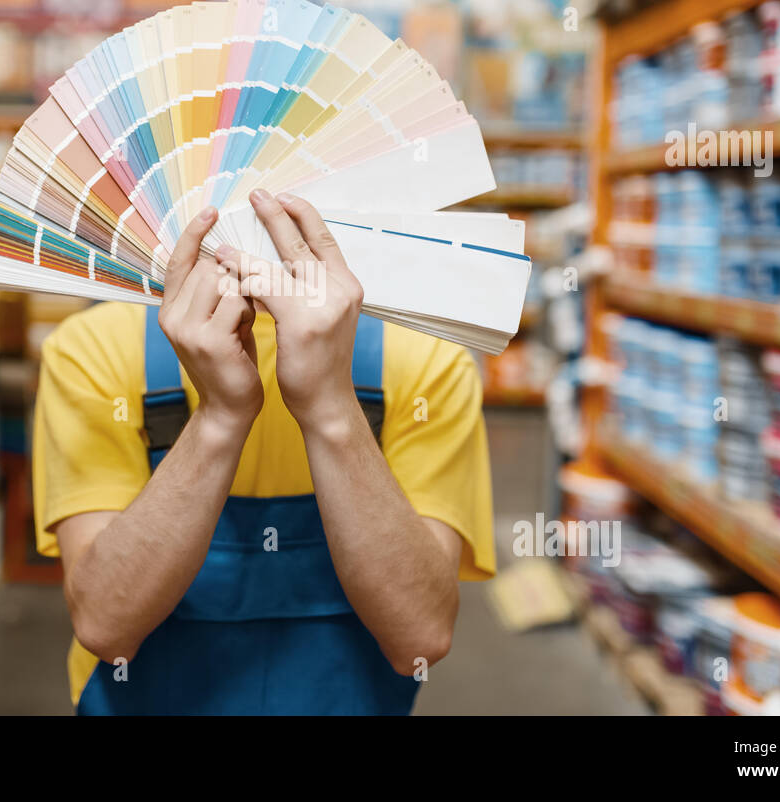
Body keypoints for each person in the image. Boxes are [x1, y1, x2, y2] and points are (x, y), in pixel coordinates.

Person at [32, 188, 494, 714]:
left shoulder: (427, 364)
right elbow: (105, 625)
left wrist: (332, 410)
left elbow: (420, 637)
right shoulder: (93, 352)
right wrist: (219, 420)